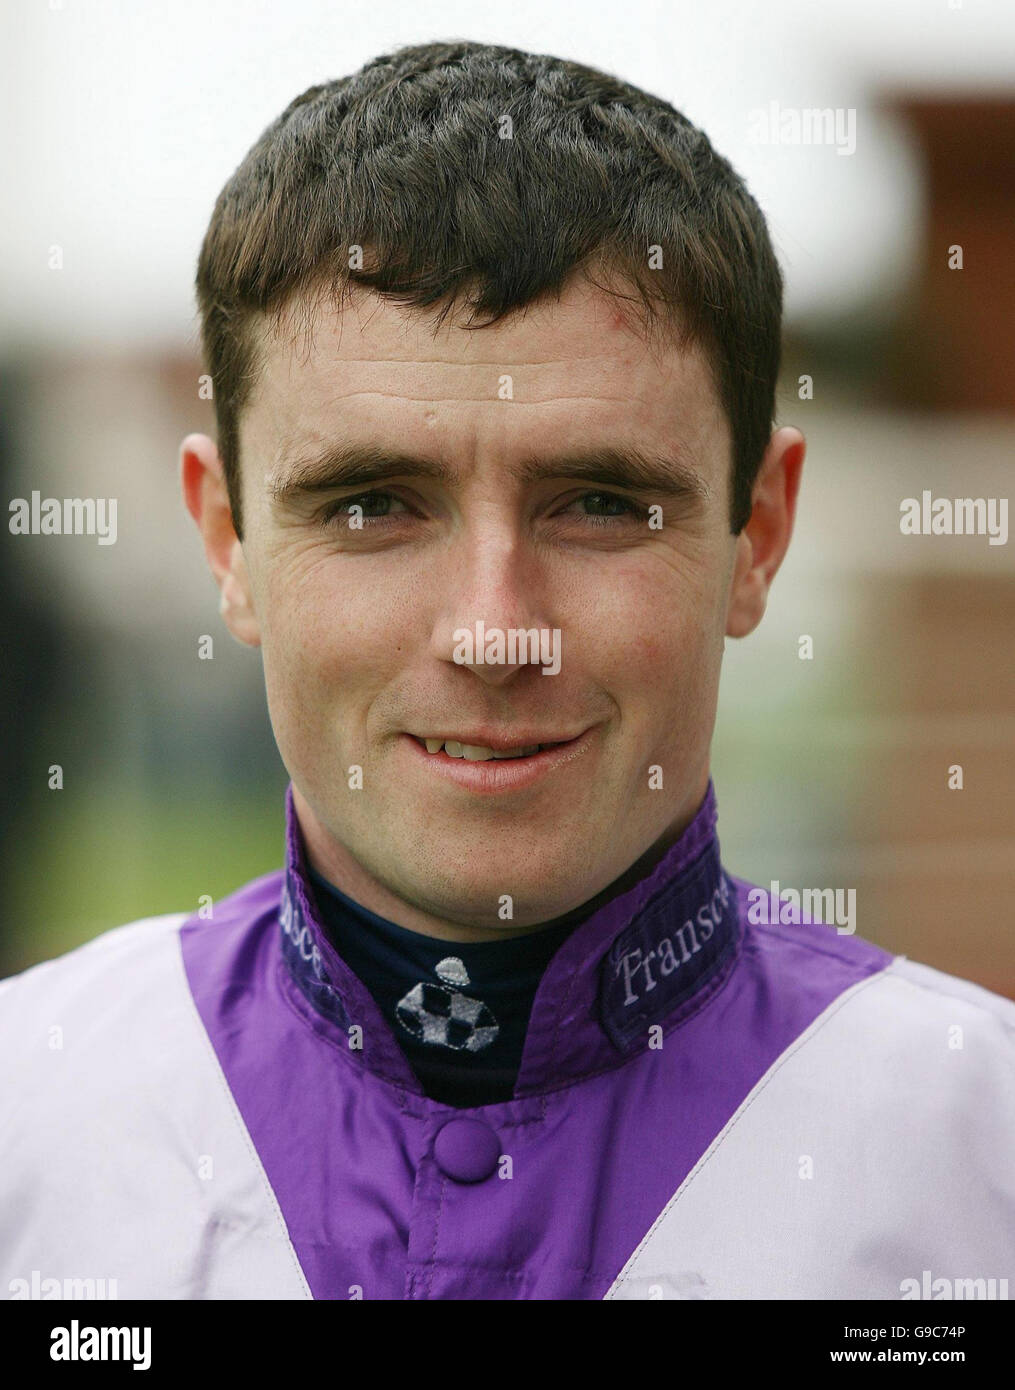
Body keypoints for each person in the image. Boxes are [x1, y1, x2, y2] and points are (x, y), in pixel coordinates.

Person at [2, 39, 1013, 1303]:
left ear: (756, 533)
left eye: (597, 502)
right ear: (230, 540)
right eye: (373, 506)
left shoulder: (980, 1157)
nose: (493, 632)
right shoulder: (28, 1123)